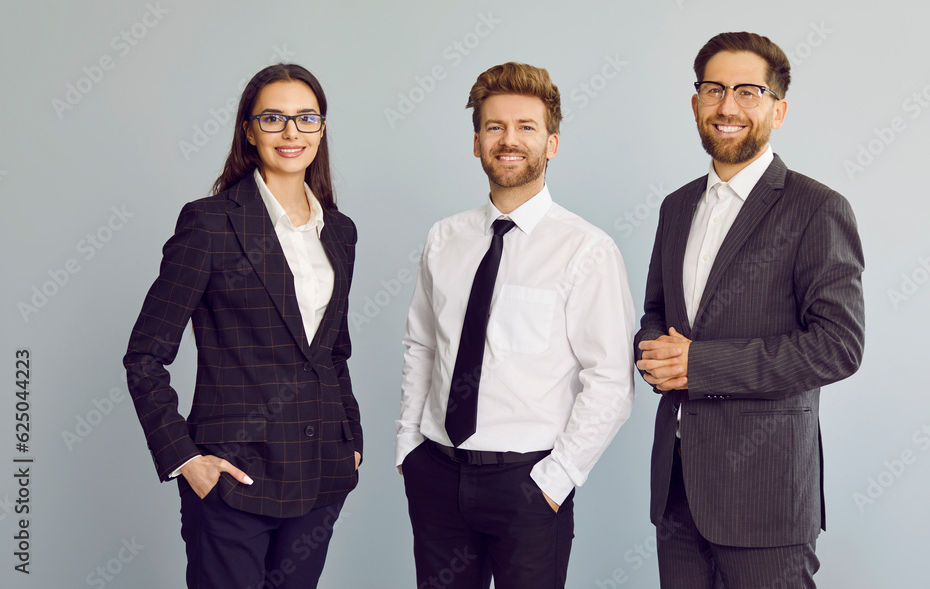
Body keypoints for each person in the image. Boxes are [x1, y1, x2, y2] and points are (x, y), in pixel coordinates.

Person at [634, 32, 864, 588]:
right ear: (696, 104)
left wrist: (700, 365)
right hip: (678, 488)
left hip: (766, 496)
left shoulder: (817, 208)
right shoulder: (676, 207)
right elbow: (656, 312)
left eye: (748, 92)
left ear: (777, 110)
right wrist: (652, 354)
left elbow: (838, 347)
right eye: (714, 90)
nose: (728, 106)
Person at [396, 62, 635, 588]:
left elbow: (611, 380)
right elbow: (422, 345)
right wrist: (409, 446)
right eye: (495, 127)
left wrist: (556, 479)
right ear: (476, 142)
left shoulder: (587, 250)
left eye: (526, 127)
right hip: (437, 474)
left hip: (528, 484)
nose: (509, 140)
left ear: (552, 144)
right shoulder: (445, 238)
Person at [123, 63, 362, 588]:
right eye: (273, 118)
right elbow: (144, 356)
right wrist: (185, 458)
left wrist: (352, 437)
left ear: (321, 129)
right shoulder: (210, 223)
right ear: (249, 131)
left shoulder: (339, 231)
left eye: (306, 118)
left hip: (321, 472)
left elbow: (332, 352)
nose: (291, 132)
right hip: (233, 475)